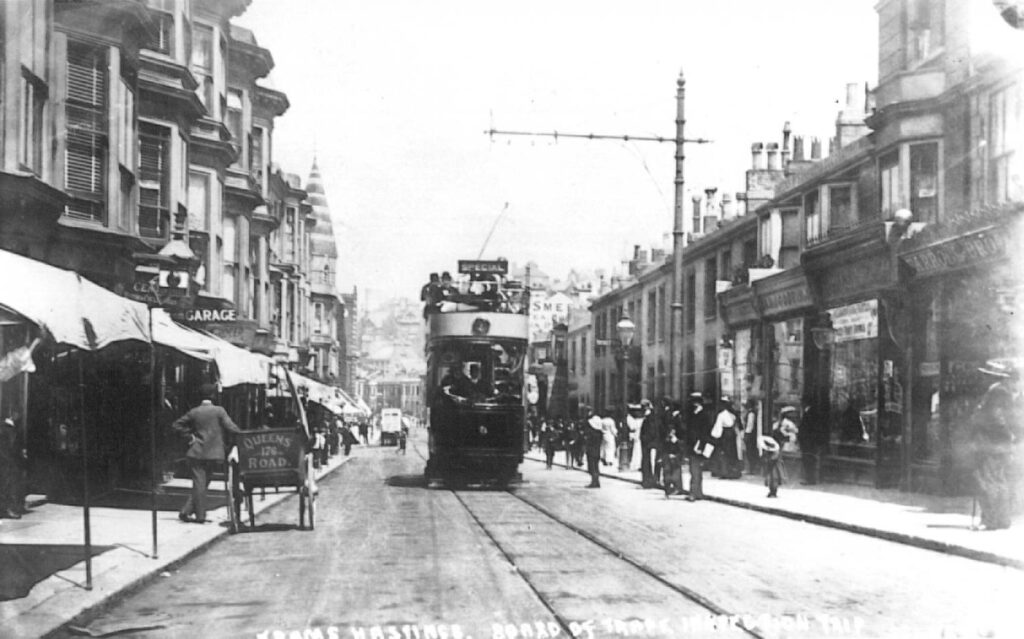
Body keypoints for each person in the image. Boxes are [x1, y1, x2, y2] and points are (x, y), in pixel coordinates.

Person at [172, 383, 242, 524]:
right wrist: (243, 434)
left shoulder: (194, 412)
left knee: (200, 484)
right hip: (215, 454)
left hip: (196, 452)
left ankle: (187, 511)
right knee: (201, 484)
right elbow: (231, 427)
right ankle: (199, 515)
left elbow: (176, 425)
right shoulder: (219, 411)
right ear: (213, 396)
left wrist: (190, 437)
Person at [969, 359, 1022, 530]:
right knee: (999, 481)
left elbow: (995, 417)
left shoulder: (996, 391)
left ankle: (990, 520)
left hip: (990, 443)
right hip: (1002, 444)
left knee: (987, 481)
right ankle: (1002, 519)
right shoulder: (1009, 393)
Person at [684, 393, 711, 501]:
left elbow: (705, 432)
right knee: (695, 469)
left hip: (699, 445)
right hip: (692, 445)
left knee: (695, 469)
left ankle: (694, 492)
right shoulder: (693, 414)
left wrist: (701, 445)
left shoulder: (704, 415)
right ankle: (698, 492)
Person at [0, 411, 26, 519]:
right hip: (7, 462)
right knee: (7, 485)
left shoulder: (5, 428)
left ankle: (7, 508)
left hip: (6, 461)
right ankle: (6, 510)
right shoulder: (8, 429)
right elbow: (11, 447)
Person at [712, 398, 742, 479]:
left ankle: (725, 472)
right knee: (732, 453)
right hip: (732, 434)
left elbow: (718, 427)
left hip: (724, 435)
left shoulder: (721, 415)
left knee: (724, 453)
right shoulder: (733, 415)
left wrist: (715, 436)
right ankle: (733, 471)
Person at [639, 399, 664, 488]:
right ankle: (648, 480)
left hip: (650, 443)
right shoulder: (649, 416)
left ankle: (650, 481)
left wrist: (646, 439)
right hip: (648, 442)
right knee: (647, 461)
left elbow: (652, 430)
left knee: (650, 461)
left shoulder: (651, 416)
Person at [662, 429, 686, 498]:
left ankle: (677, 488)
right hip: (667, 457)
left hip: (676, 457)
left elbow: (682, 447)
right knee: (667, 474)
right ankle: (667, 490)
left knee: (675, 474)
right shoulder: (667, 439)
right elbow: (664, 447)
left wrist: (677, 441)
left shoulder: (678, 437)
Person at [584, 411, 604, 488]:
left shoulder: (591, 433)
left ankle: (594, 482)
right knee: (596, 467)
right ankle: (596, 482)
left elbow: (588, 441)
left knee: (592, 467)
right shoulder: (599, 433)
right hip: (597, 452)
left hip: (591, 451)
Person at [743, 400, 760, 474]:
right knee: (751, 451)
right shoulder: (752, 412)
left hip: (750, 435)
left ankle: (751, 468)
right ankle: (752, 467)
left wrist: (746, 434)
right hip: (752, 434)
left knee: (750, 451)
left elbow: (750, 425)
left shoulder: (751, 413)